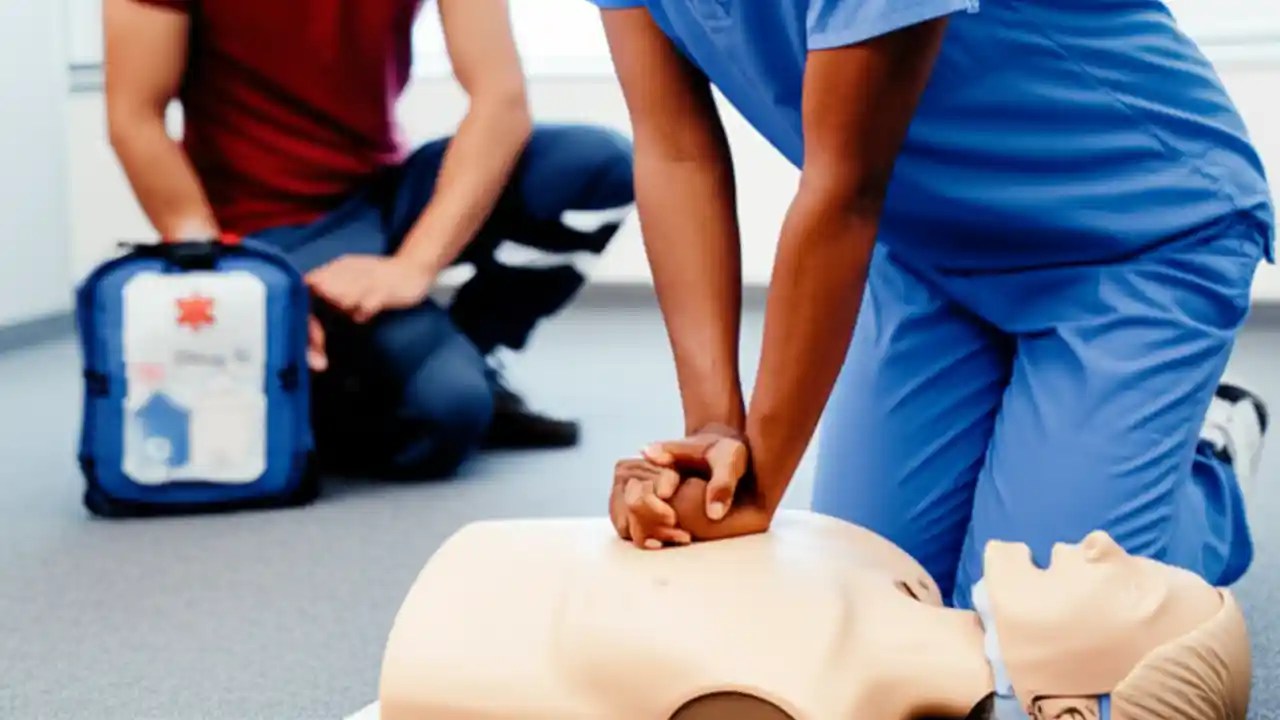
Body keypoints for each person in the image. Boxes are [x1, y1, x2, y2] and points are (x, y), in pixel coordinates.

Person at [592, 0, 1273, 608]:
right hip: (927, 248)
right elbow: (675, 150)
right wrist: (714, 429)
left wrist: (758, 487)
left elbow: (843, 188)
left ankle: (1205, 468)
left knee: (1030, 630)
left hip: (1134, 230)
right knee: (877, 608)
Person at [104, 0, 635, 478]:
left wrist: (414, 266)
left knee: (596, 168)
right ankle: (339, 385)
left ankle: (468, 351)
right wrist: (240, 288)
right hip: (268, 228)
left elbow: (499, 99)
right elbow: (135, 117)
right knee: (446, 414)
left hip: (382, 190)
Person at [375, 490, 1249, 719]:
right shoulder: (890, 565)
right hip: (481, 576)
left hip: (427, 666)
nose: (1102, 546)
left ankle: (1204, 460)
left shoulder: (806, 701)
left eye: (1133, 583)